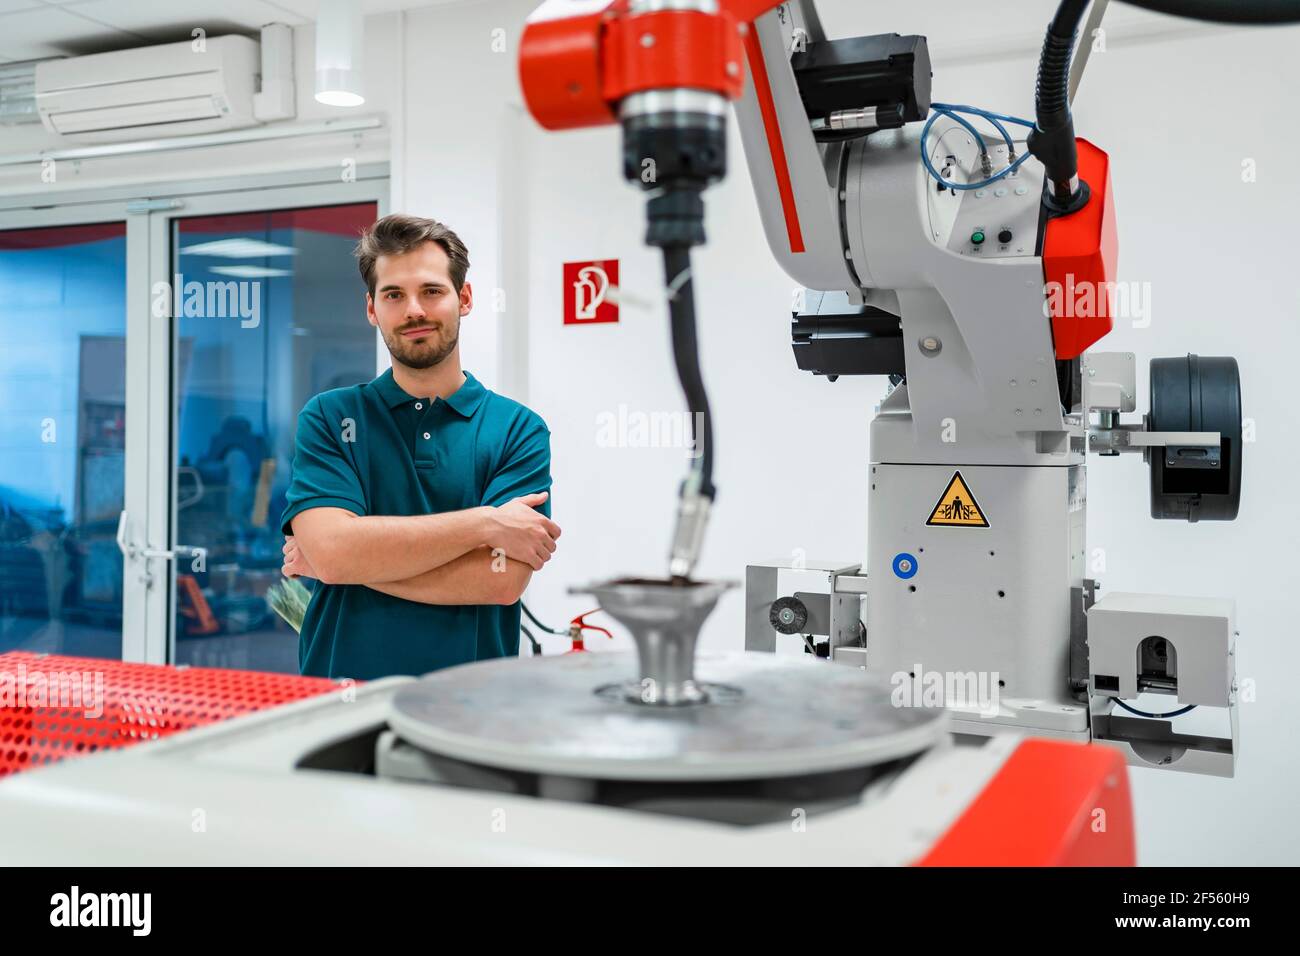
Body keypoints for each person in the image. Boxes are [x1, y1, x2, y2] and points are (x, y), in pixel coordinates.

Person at [279, 214, 560, 679]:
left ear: (463, 299)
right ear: (372, 309)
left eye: (431, 291)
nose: (414, 310)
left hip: (467, 706)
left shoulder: (518, 430)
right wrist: (486, 524)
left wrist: (346, 561)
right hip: (339, 700)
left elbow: (500, 580)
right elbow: (332, 552)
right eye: (394, 295)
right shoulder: (331, 417)